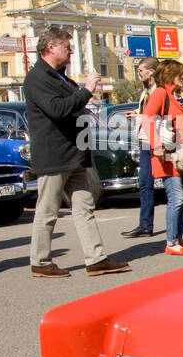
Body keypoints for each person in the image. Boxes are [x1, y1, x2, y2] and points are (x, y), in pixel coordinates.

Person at [24, 25, 130, 278]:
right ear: (51, 47)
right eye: (67, 47)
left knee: (85, 208)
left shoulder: (60, 76)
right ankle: (39, 261)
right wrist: (85, 90)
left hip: (75, 153)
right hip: (54, 156)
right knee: (48, 210)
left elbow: (74, 106)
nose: (71, 52)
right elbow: (58, 109)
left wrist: (84, 99)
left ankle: (96, 259)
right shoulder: (37, 78)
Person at [143, 59, 183, 256]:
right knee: (177, 198)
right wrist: (157, 145)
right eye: (180, 74)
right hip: (168, 155)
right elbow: (147, 117)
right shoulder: (161, 93)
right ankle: (172, 241)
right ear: (170, 74)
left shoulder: (179, 96)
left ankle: (182, 236)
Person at [121, 56, 160, 238]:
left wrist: (141, 116)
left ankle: (178, 227)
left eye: (141, 71)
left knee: (173, 185)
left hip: (157, 141)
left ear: (151, 72)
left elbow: (157, 114)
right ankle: (145, 225)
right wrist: (137, 113)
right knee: (144, 184)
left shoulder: (159, 90)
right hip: (145, 140)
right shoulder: (146, 91)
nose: (138, 74)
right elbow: (147, 112)